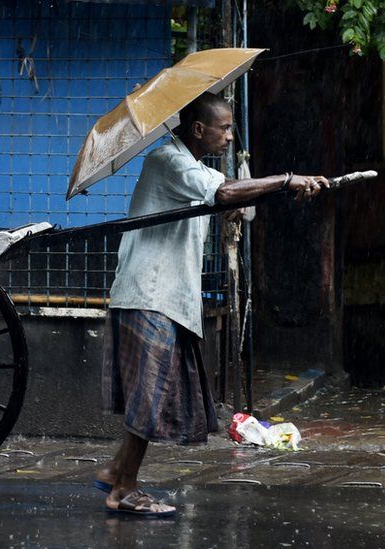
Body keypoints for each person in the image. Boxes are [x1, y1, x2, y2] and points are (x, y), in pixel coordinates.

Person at [95, 92, 329, 517]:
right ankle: (122, 490)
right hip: (150, 294)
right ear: (198, 129)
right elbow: (221, 193)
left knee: (152, 396)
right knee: (149, 398)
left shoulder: (191, 168)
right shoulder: (169, 160)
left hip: (167, 297)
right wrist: (286, 179)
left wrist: (282, 191)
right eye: (223, 128)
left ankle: (116, 472)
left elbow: (224, 198)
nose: (228, 135)